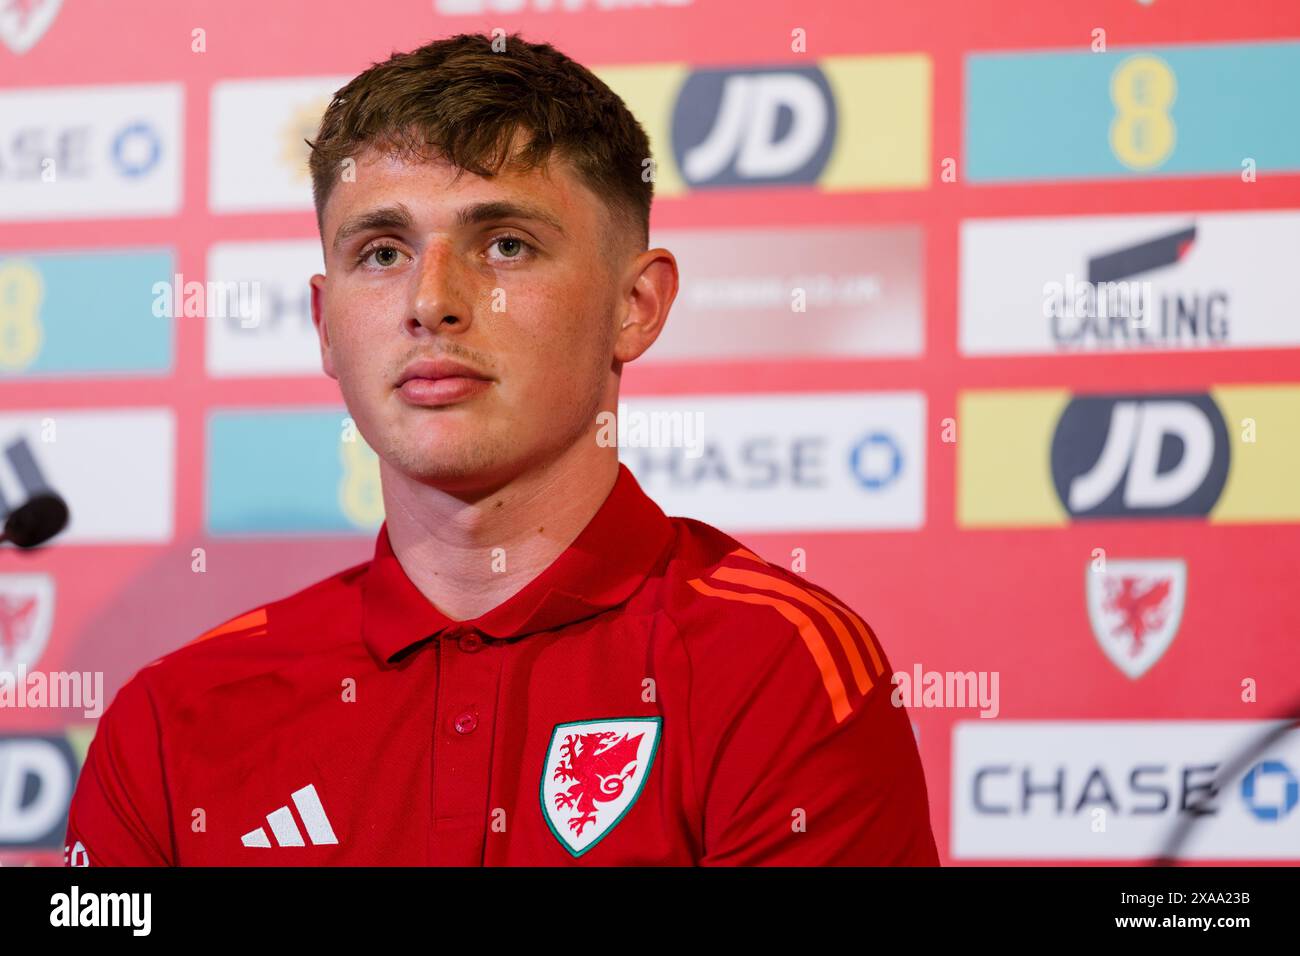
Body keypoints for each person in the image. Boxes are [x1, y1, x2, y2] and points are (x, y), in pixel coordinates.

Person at [64, 31, 939, 866]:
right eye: (381, 251)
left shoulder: (776, 668)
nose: (431, 301)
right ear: (325, 325)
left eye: (506, 244)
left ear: (636, 305)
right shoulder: (174, 720)